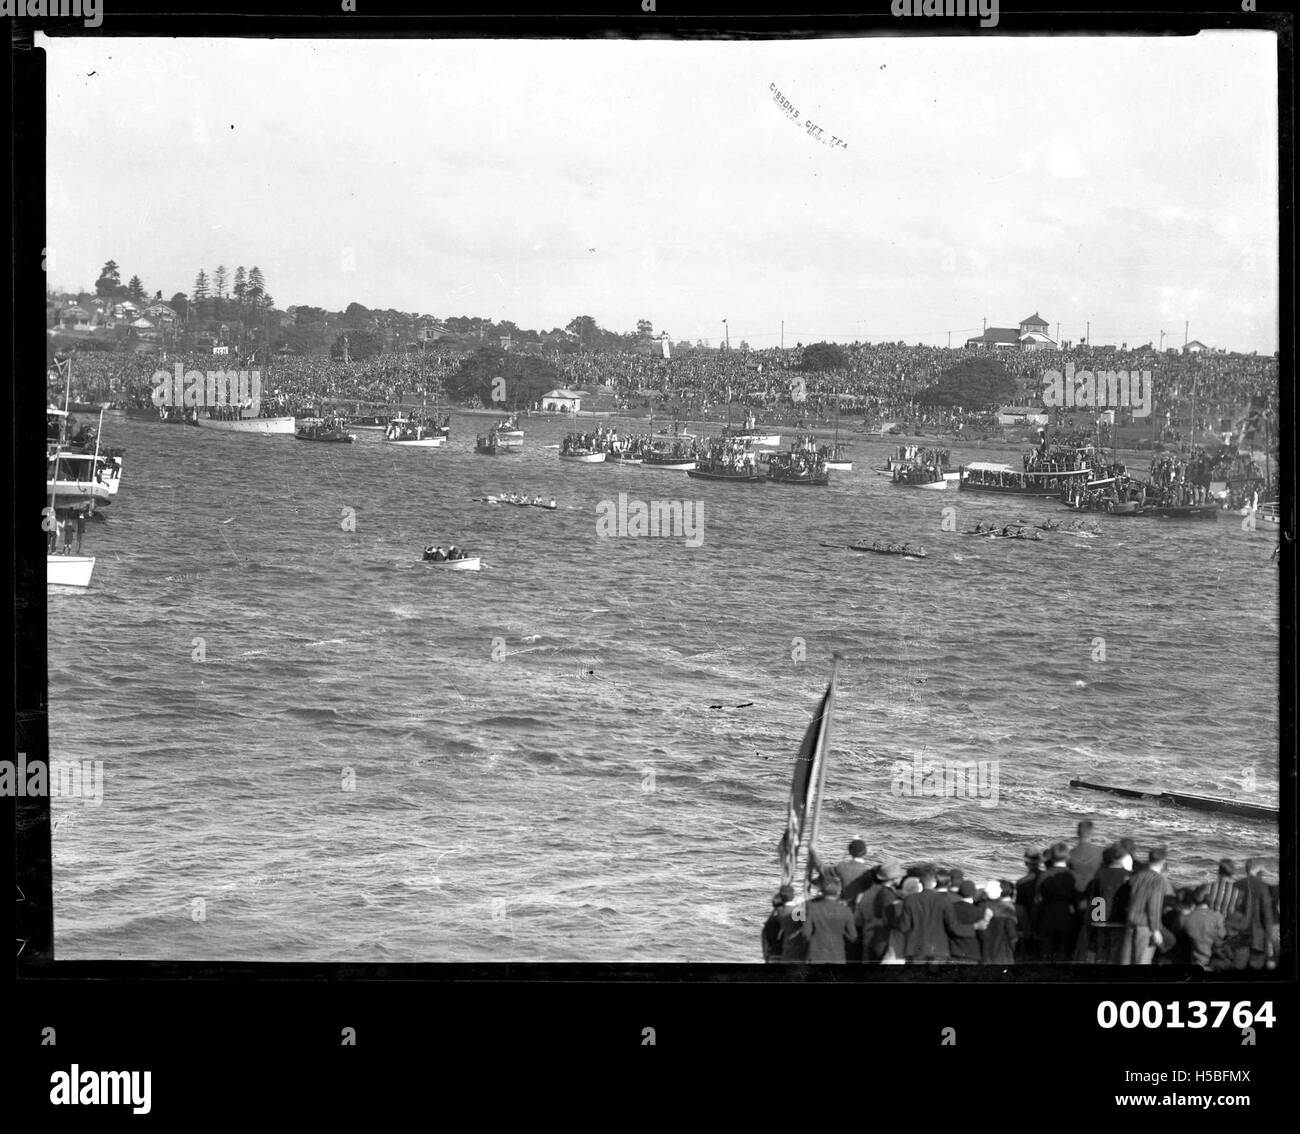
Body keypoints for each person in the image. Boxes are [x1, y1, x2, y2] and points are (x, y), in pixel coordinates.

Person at [1121, 848, 1174, 965]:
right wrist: (1155, 930)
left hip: (1130, 922)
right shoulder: (1158, 880)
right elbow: (1153, 906)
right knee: (1142, 962)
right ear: (1163, 862)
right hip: (1145, 926)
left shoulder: (1137, 876)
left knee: (1126, 961)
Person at [1035, 842, 1077, 962]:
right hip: (1067, 917)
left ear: (1051, 857)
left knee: (1046, 954)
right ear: (1068, 856)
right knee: (1063, 953)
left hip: (1047, 916)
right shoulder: (1072, 875)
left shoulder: (1043, 876)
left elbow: (1037, 901)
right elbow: (1077, 899)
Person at [800, 875, 858, 964]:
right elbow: (853, 936)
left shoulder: (811, 907)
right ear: (838, 892)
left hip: (815, 955)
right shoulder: (846, 910)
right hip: (837, 956)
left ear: (822, 891)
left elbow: (805, 933)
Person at [1180, 885, 1227, 970]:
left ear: (1193, 899)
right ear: (1209, 900)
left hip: (1191, 960)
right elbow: (1222, 936)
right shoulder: (1218, 917)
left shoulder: (1184, 918)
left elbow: (1176, 932)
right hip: (1212, 962)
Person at [761, 886, 796, 963]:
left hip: (773, 957)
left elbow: (765, 938)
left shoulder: (771, 919)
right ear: (793, 896)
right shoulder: (798, 912)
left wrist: (767, 957)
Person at [836, 839, 873, 907]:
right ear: (865, 852)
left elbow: (824, 870)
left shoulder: (842, 866)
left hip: (842, 906)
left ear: (850, 851)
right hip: (857, 909)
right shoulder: (867, 872)